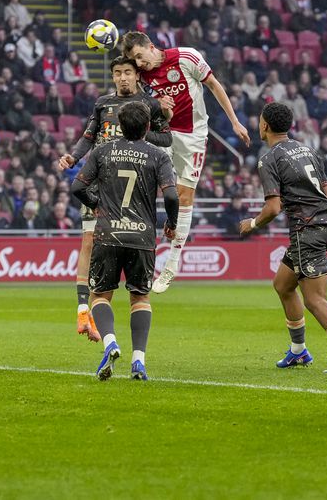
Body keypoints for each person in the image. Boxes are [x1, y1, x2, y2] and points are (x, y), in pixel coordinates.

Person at [239, 102, 327, 374]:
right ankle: (299, 351)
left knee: (315, 299)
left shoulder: (269, 158)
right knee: (283, 285)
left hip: (307, 230)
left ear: (264, 125)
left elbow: (273, 208)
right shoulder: (309, 149)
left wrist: (251, 224)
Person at [120, 31, 250, 293]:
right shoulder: (141, 76)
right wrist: (155, 103)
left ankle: (172, 264)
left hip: (194, 137)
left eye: (139, 56)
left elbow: (214, 85)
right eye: (134, 60)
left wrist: (235, 121)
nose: (139, 63)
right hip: (163, 134)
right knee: (152, 186)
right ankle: (142, 250)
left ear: (150, 46)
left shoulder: (186, 56)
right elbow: (131, 99)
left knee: (185, 196)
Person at [58, 56, 173, 342]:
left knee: (123, 244)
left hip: (132, 183)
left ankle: (104, 308)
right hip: (100, 181)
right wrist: (74, 156)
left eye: (127, 72)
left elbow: (166, 138)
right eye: (118, 73)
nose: (122, 78)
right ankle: (83, 307)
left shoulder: (151, 104)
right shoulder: (102, 103)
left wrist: (134, 138)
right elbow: (89, 136)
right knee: (88, 240)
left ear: (137, 76)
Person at [70, 101, 179, 381]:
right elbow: (170, 195)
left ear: (120, 125)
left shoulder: (103, 151)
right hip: (142, 235)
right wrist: (172, 223)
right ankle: (139, 361)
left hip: (107, 233)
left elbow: (78, 186)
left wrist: (96, 204)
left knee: (101, 295)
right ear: (146, 127)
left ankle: (110, 343)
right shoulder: (158, 155)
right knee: (140, 297)